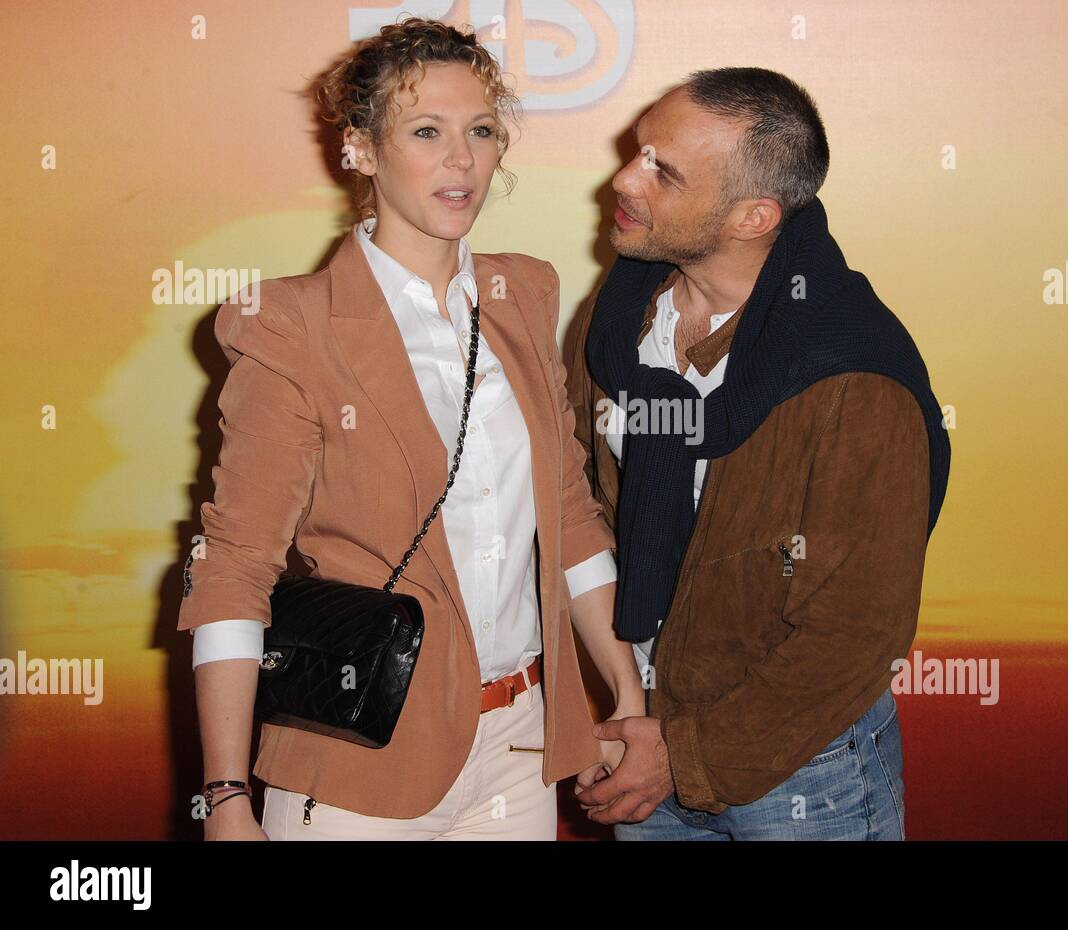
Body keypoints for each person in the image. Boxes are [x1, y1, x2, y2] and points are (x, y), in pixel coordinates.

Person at [180, 17, 641, 841]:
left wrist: (627, 694)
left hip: (520, 746)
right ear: (360, 149)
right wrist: (224, 795)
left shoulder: (523, 295)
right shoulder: (291, 325)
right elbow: (236, 564)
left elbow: (568, 514)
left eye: (481, 131)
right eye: (426, 132)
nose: (461, 160)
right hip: (363, 755)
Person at [568, 68, 952, 840]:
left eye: (661, 171)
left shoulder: (852, 373)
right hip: (644, 737)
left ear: (753, 216)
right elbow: (585, 508)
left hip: (804, 771)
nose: (623, 179)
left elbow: (853, 633)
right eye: (639, 150)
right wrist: (635, 717)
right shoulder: (616, 318)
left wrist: (684, 757)